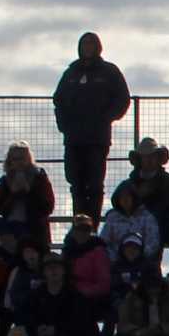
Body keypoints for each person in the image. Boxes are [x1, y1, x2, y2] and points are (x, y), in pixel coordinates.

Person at [51, 32, 132, 221]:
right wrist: (64, 125)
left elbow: (122, 99)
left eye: (90, 43)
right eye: (84, 44)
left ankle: (92, 225)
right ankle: (79, 223)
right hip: (73, 138)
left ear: (98, 47)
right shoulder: (71, 73)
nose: (87, 47)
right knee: (76, 184)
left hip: (97, 138)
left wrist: (106, 118)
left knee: (95, 184)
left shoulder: (109, 72)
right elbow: (58, 100)